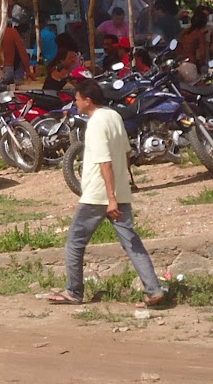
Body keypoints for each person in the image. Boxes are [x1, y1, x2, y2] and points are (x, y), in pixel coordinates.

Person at [46, 80, 167, 307]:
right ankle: (153, 290)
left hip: (99, 195)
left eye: (77, 99)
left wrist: (110, 198)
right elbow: (126, 154)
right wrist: (123, 186)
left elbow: (105, 162)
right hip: (118, 191)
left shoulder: (96, 123)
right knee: (132, 242)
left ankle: (73, 291)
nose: (75, 103)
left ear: (87, 100)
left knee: (74, 242)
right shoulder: (114, 116)